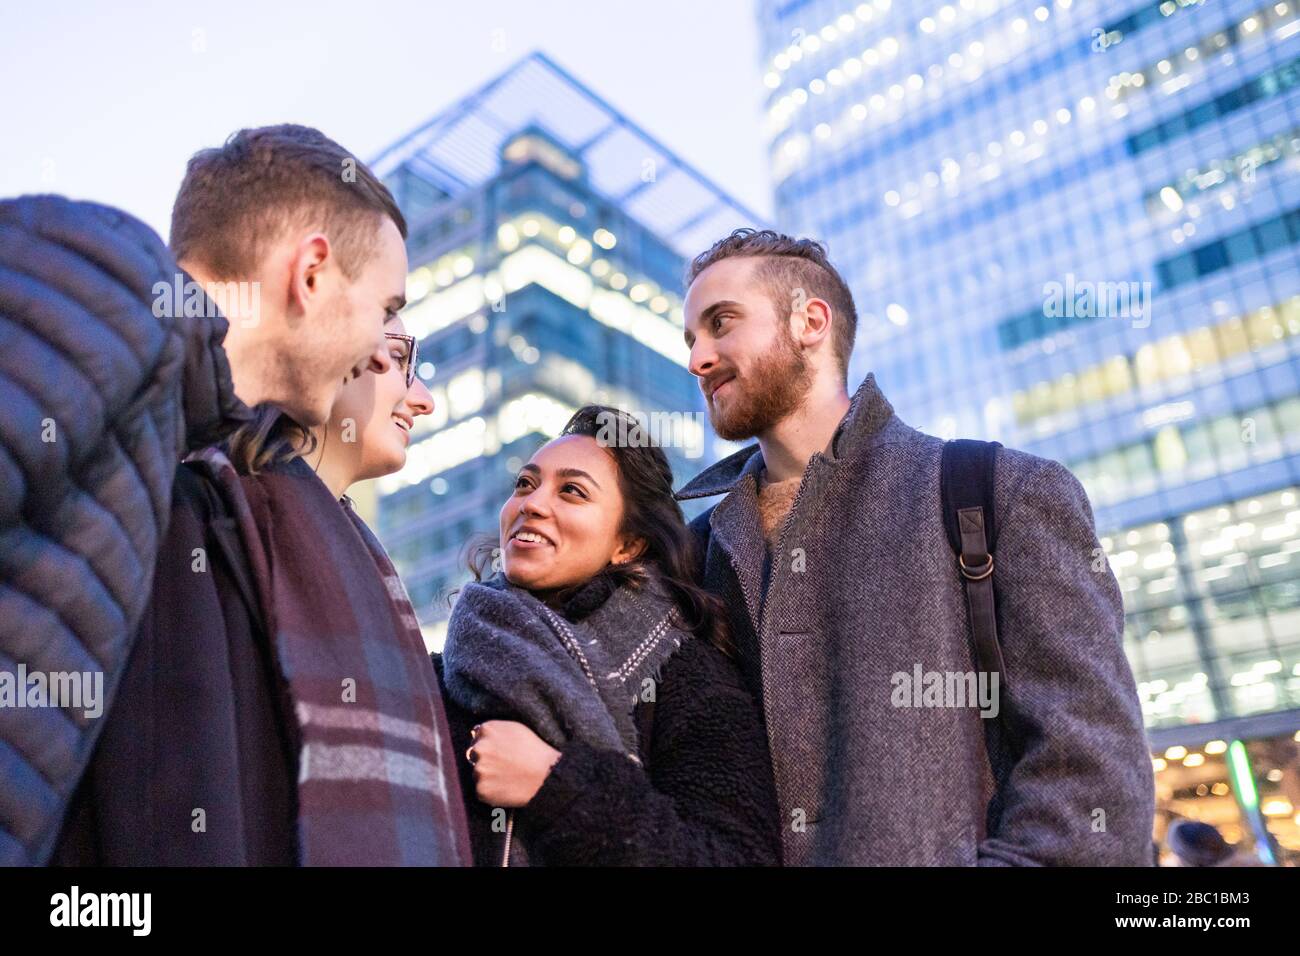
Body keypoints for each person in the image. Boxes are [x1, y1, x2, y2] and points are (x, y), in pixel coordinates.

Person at [49, 128, 471, 865]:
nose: (380, 348)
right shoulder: (119, 412)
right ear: (312, 273)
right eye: (385, 309)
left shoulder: (198, 476)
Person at [673, 228, 1155, 866]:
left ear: (810, 321)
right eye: (691, 339)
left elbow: (1091, 773)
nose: (697, 359)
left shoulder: (999, 493)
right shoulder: (694, 555)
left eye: (721, 323)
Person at [435, 406, 781, 866]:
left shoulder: (685, 677)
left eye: (572, 491)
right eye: (525, 483)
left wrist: (555, 786)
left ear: (628, 544)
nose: (532, 504)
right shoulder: (446, 671)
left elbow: (740, 857)